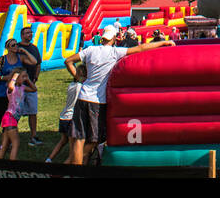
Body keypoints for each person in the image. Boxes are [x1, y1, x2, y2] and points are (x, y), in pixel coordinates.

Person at [67, 24, 175, 165]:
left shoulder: (90, 50)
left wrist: (79, 78)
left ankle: (72, 166)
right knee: (95, 139)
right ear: (113, 39)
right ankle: (73, 165)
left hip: (82, 97)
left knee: (79, 138)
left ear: (102, 38)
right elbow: (140, 48)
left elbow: (68, 61)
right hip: (97, 101)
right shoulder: (114, 52)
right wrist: (163, 42)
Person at [46, 61, 86, 164]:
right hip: (71, 119)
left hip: (64, 117)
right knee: (73, 152)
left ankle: (49, 159)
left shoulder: (71, 85)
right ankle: (61, 172)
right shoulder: (80, 88)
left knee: (63, 141)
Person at [0, 39, 23, 151]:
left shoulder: (20, 58)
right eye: (13, 45)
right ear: (8, 48)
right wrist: (6, 78)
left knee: (10, 118)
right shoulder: (2, 60)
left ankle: (5, 143)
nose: (15, 46)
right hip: (1, 93)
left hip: (14, 94)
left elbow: (34, 62)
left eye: (16, 44)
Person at [14, 25, 43, 145]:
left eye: (31, 33)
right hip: (18, 85)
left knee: (32, 111)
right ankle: (12, 136)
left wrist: (35, 77)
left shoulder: (34, 48)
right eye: (27, 33)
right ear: (22, 35)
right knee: (15, 112)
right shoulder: (17, 48)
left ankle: (33, 136)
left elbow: (38, 64)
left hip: (31, 84)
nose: (30, 34)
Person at [0, 69, 27, 160]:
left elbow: (34, 89)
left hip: (10, 119)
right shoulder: (12, 89)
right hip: (10, 118)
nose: (25, 79)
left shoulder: (22, 87)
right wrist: (15, 76)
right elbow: (10, 85)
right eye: (23, 77)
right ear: (16, 78)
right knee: (15, 144)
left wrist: (27, 79)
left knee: (4, 146)